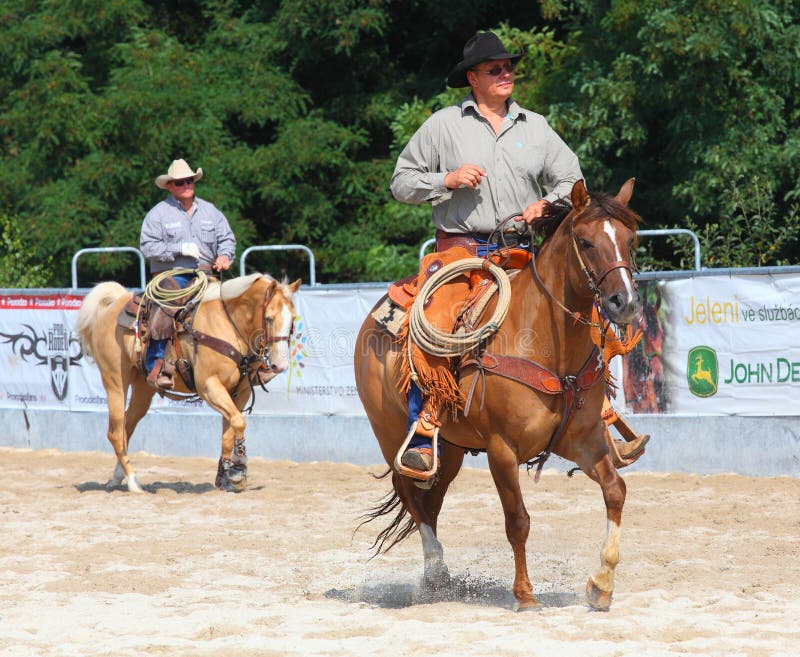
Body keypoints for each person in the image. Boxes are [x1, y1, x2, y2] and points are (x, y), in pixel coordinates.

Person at [390, 31, 585, 477]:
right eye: (495, 68)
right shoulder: (443, 125)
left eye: (509, 66)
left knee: (580, 314)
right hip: (461, 253)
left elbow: (573, 182)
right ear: (472, 78)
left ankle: (598, 417)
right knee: (435, 323)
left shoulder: (535, 126)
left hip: (523, 252)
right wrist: (446, 180)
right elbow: (401, 182)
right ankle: (424, 429)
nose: (506, 73)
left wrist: (549, 205)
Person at [140, 158, 236, 389]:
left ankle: (246, 363)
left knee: (236, 304)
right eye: (181, 182)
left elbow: (227, 239)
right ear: (171, 186)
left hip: (207, 275)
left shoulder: (211, 211)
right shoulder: (159, 214)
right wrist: (178, 249)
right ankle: (157, 365)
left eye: (190, 180)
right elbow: (147, 247)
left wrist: (225, 256)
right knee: (165, 307)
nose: (187, 185)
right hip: (171, 274)